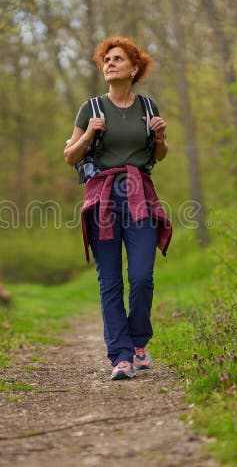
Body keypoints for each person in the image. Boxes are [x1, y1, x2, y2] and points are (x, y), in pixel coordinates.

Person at [64, 37, 172, 380]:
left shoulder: (148, 107)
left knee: (141, 276)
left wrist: (160, 137)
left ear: (134, 68)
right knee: (109, 280)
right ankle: (121, 356)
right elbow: (70, 157)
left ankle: (139, 343)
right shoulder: (91, 108)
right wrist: (87, 136)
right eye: (106, 60)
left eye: (118, 59)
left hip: (140, 196)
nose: (110, 64)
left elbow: (159, 156)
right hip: (102, 199)